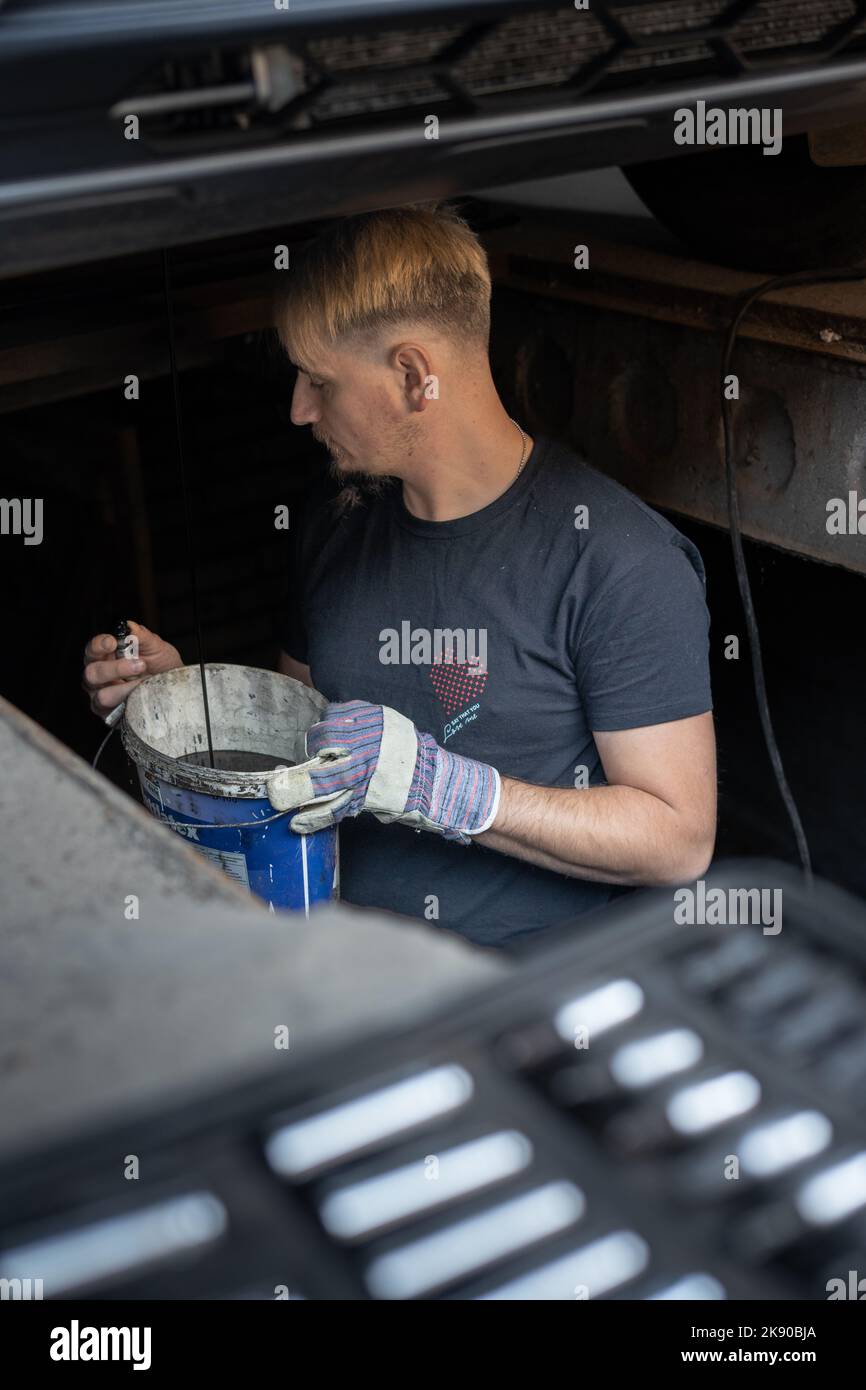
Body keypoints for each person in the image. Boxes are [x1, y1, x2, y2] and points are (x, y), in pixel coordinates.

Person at [83, 202, 716, 950]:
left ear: (415, 377)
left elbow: (677, 839)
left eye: (318, 381)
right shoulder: (341, 515)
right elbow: (307, 734)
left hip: (511, 985)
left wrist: (452, 793)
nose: (296, 409)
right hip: (332, 948)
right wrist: (191, 705)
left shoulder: (617, 560)